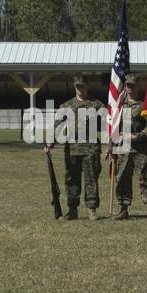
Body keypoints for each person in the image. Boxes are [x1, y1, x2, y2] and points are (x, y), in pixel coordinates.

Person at [45, 74, 102, 220]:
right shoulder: (67, 106)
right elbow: (57, 125)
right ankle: (72, 210)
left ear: (87, 86)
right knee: (71, 180)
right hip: (72, 149)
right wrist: (50, 143)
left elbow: (108, 121)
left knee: (91, 179)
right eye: (77, 86)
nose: (80, 89)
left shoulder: (96, 105)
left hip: (91, 149)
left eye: (82, 86)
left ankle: (91, 209)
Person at [110, 74, 147, 220]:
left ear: (138, 86)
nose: (130, 89)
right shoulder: (119, 107)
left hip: (140, 148)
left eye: (132, 85)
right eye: (128, 86)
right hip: (123, 147)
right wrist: (111, 146)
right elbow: (113, 126)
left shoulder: (144, 106)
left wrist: (139, 136)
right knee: (122, 178)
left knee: (146, 177)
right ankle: (123, 208)